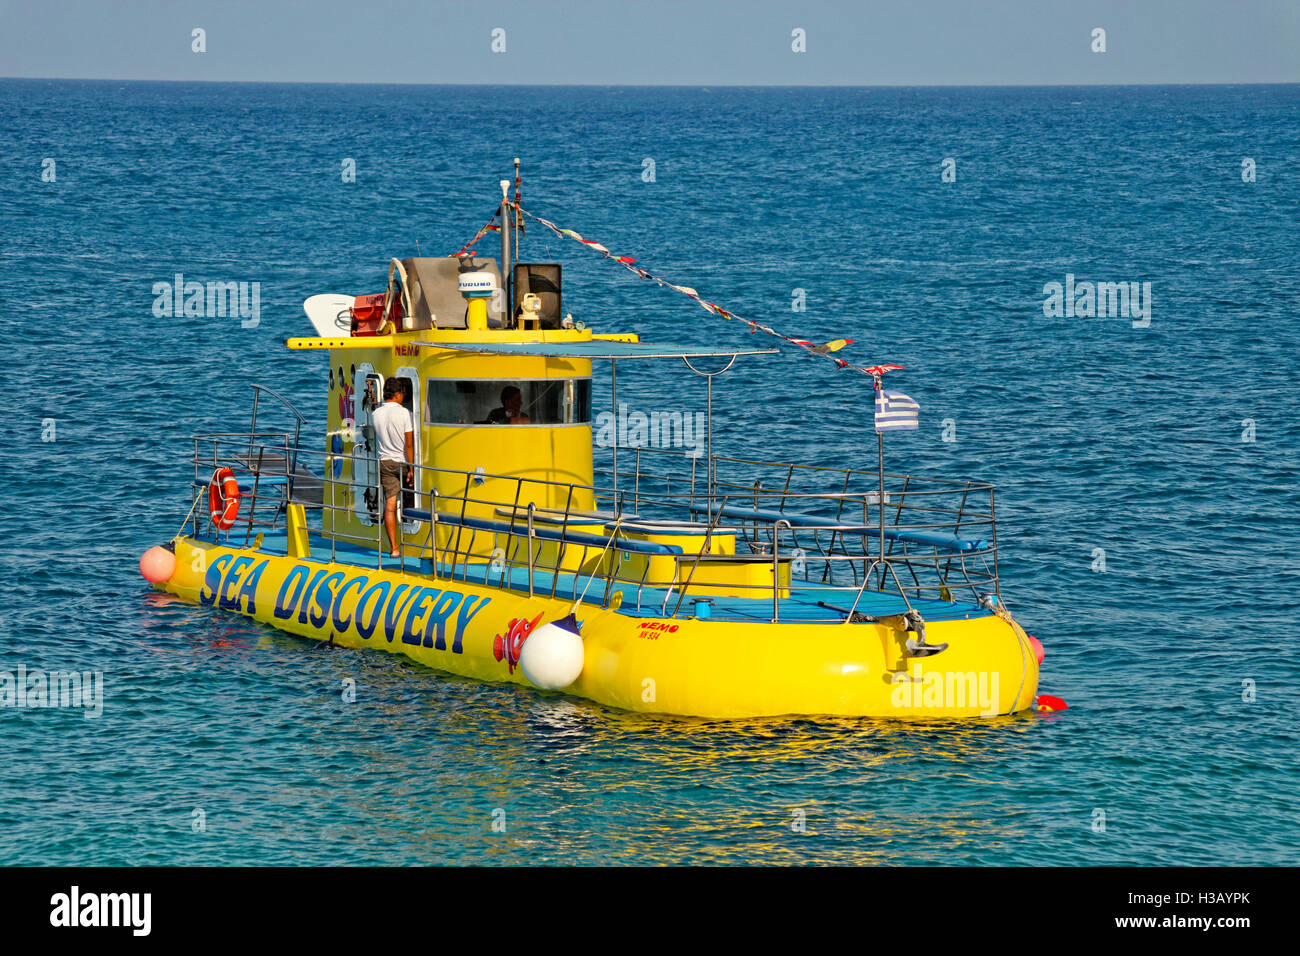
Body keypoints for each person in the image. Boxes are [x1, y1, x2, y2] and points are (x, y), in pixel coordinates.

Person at [372, 378, 415, 557]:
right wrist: (411, 468)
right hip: (401, 462)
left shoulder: (376, 413)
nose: (403, 397)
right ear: (397, 394)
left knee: (389, 505)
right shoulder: (404, 413)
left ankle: (394, 548)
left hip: (384, 462)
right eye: (403, 394)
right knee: (412, 493)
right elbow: (409, 445)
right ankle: (411, 528)